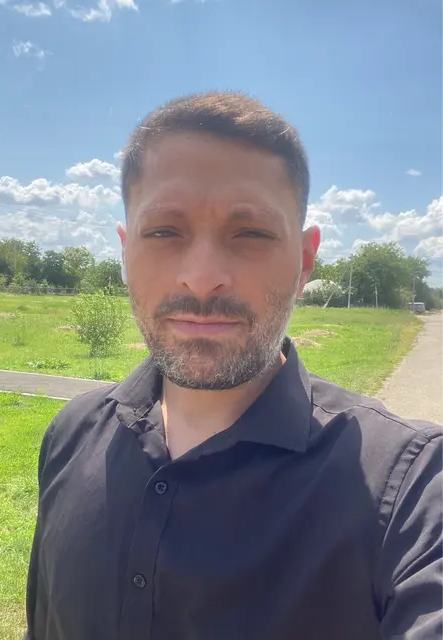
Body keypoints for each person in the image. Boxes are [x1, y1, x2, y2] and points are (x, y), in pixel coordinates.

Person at [25, 91, 442, 640]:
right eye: (164, 231)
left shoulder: (413, 488)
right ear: (126, 252)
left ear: (304, 261)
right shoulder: (70, 435)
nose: (202, 277)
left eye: (250, 233)